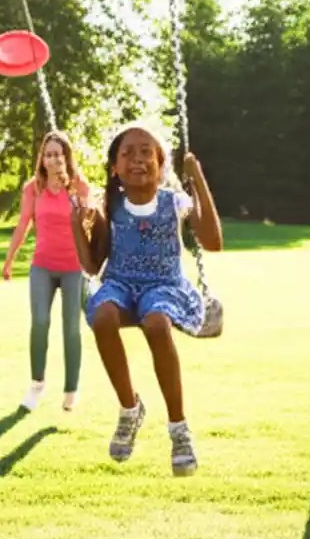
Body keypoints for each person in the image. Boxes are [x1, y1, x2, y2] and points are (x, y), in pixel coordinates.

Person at [71, 121, 221, 477]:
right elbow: (93, 266)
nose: (137, 159)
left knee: (156, 322)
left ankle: (179, 429)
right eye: (127, 153)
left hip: (164, 285)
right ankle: (129, 409)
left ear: (161, 163)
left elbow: (213, 242)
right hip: (120, 283)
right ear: (115, 167)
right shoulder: (111, 204)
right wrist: (78, 226)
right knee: (102, 316)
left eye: (146, 152)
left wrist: (196, 177)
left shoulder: (175, 201)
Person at [2, 130, 92, 413]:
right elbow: (23, 224)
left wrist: (75, 196)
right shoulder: (33, 188)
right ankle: (36, 385)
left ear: (67, 157)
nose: (53, 159)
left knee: (71, 329)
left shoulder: (79, 186)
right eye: (48, 154)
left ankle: (71, 389)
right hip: (42, 265)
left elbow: (89, 225)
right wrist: (9, 259)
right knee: (39, 322)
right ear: (42, 158)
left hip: (73, 267)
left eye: (58, 154)